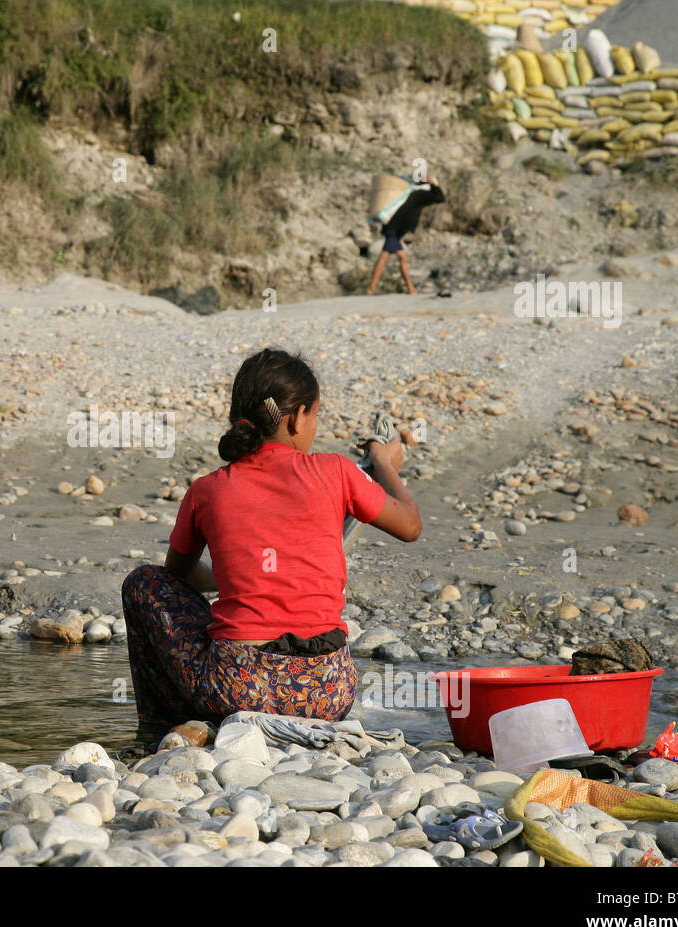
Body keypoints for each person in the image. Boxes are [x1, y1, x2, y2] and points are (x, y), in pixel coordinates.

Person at [120, 348, 421, 749]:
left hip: (238, 690)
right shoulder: (336, 471)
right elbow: (411, 525)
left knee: (143, 583)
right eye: (316, 415)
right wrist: (384, 463)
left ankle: (159, 732)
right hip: (327, 693)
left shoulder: (208, 489)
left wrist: (239, 580)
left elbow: (174, 575)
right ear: (297, 418)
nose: (314, 426)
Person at [366, 175, 444, 295]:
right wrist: (435, 184)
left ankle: (376, 288)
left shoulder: (410, 193)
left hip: (393, 230)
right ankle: (375, 288)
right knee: (393, 258)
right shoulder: (420, 195)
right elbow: (440, 198)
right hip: (393, 230)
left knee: (393, 258)